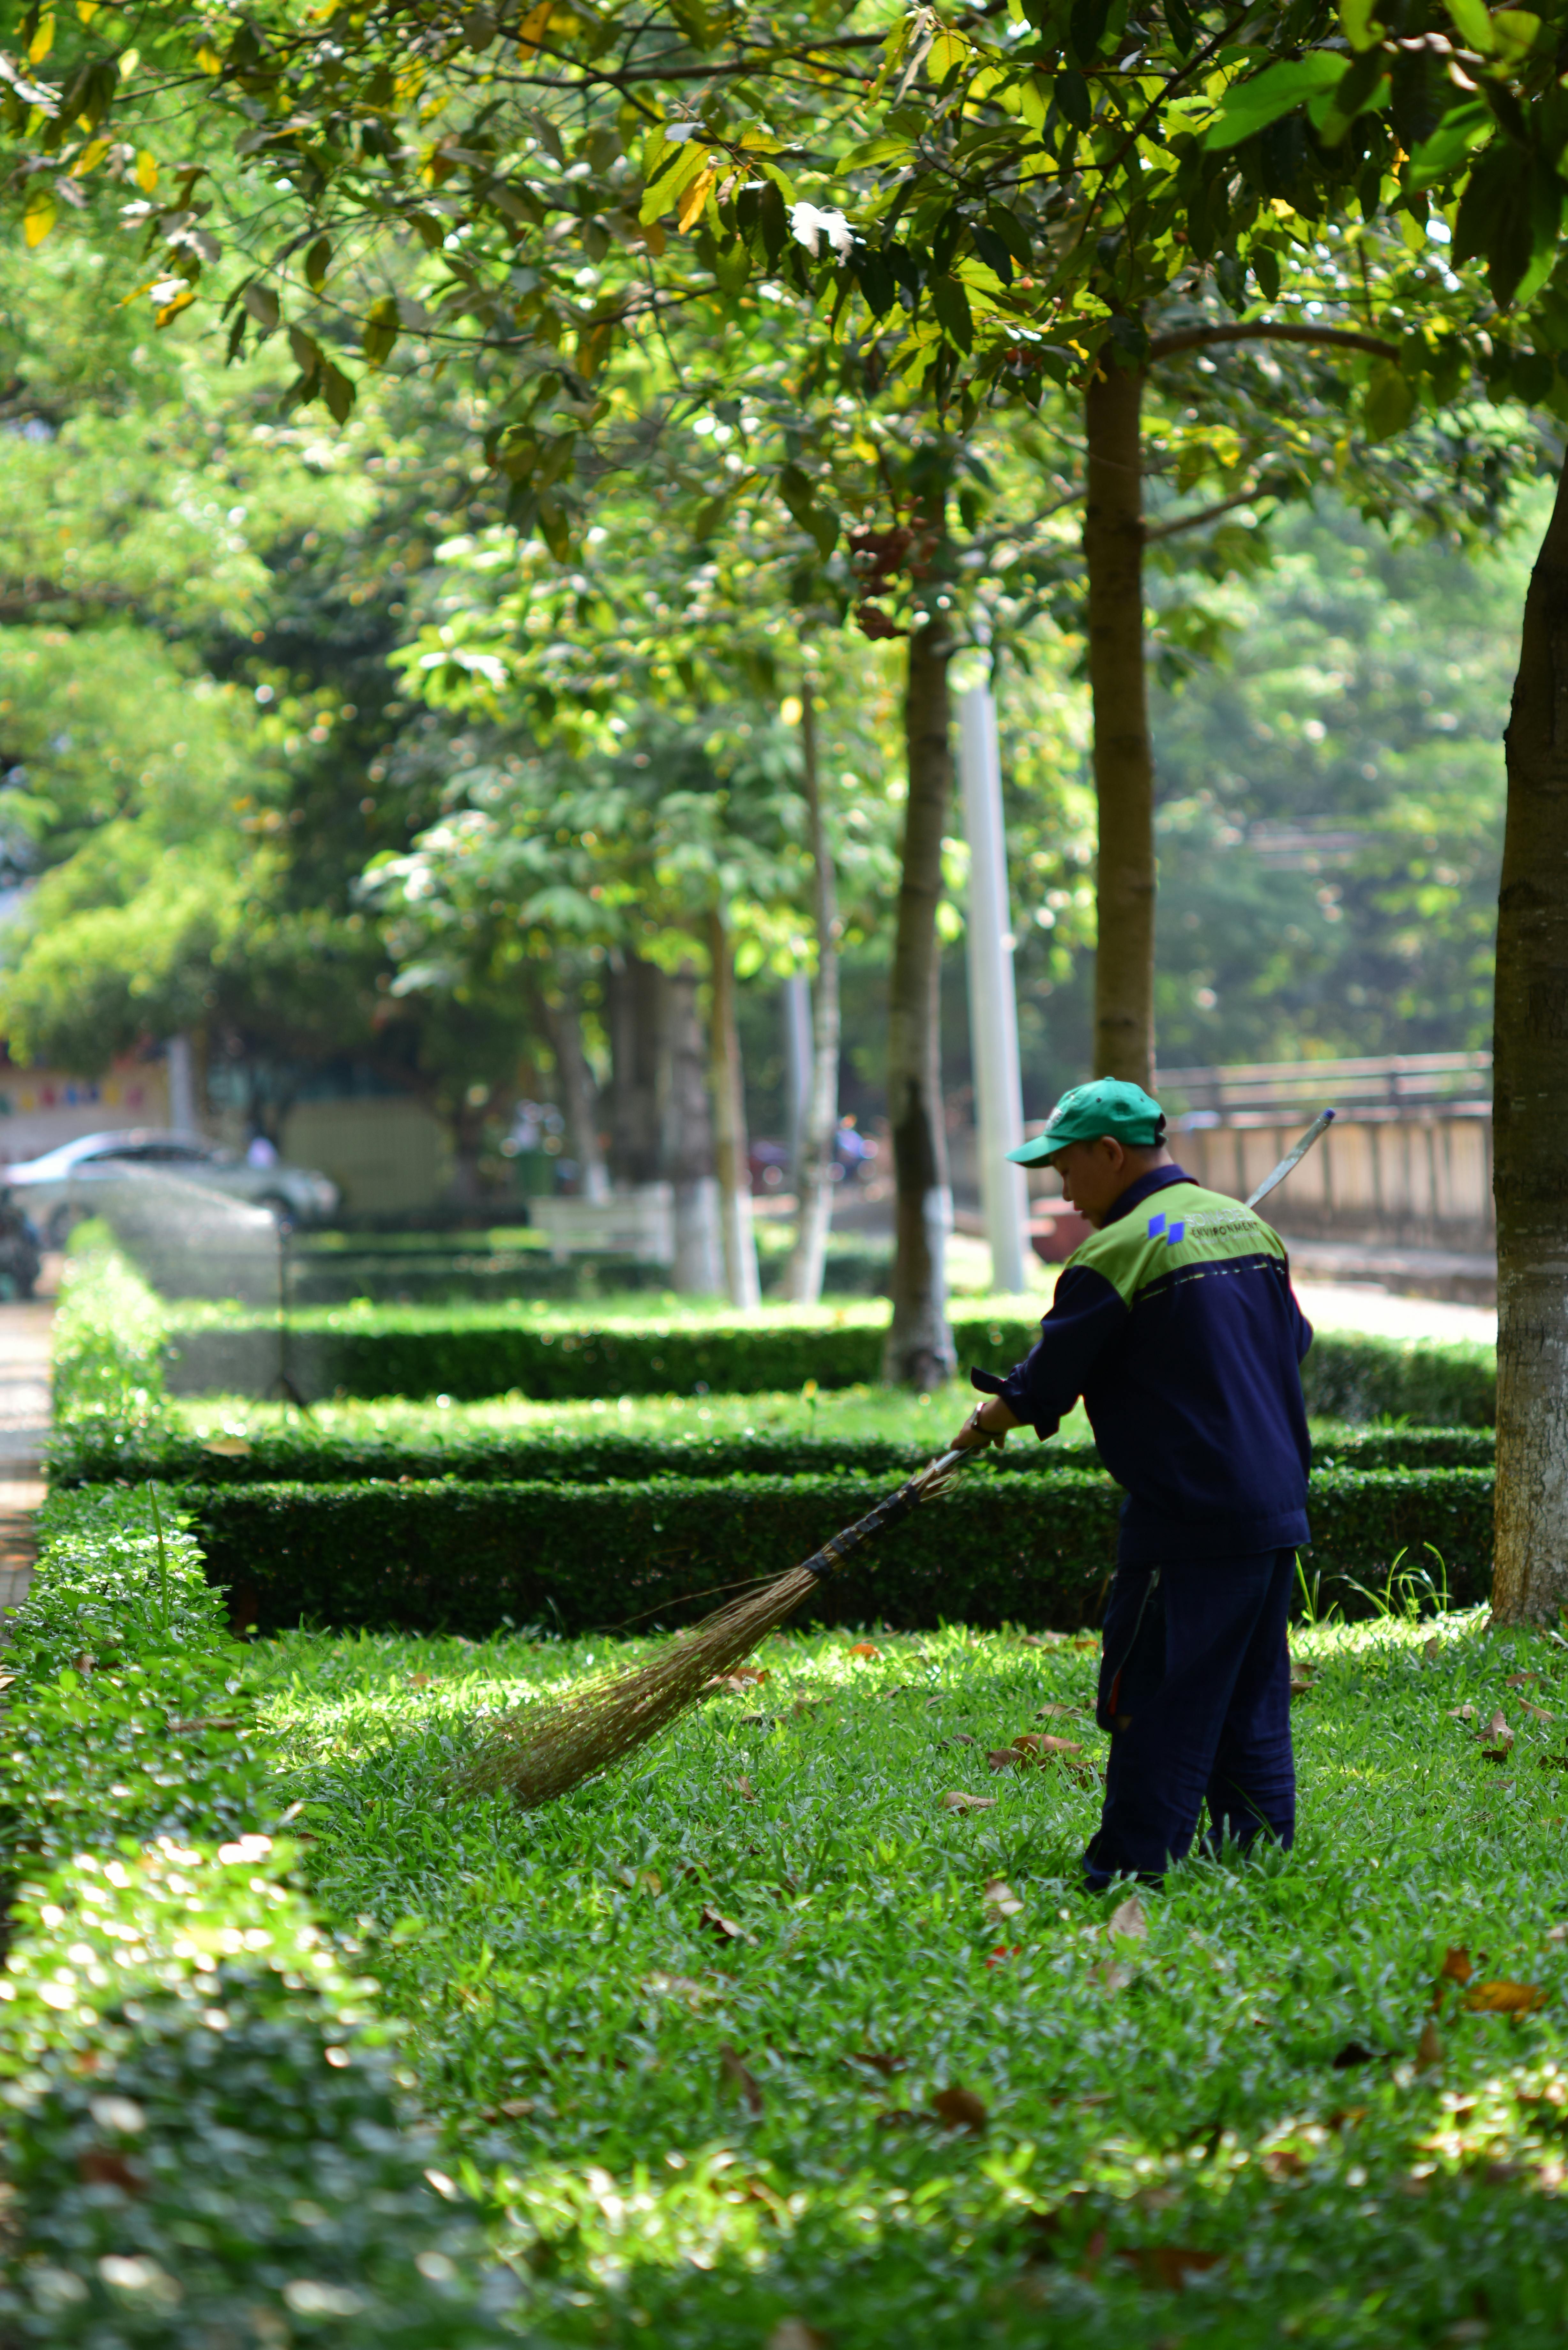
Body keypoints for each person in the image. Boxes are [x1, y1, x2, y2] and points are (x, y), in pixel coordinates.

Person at [950, 1077, 1313, 1891]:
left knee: (1152, 1691)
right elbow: (1291, 1344)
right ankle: (1255, 1852)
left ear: (1109, 1153)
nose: (1065, 1191)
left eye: (1066, 1169)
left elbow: (1042, 1386)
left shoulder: (1113, 1254)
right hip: (1275, 1504)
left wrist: (983, 1422)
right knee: (1248, 1690)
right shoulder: (1246, 1225)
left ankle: (1126, 1869)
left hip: (1186, 1515)